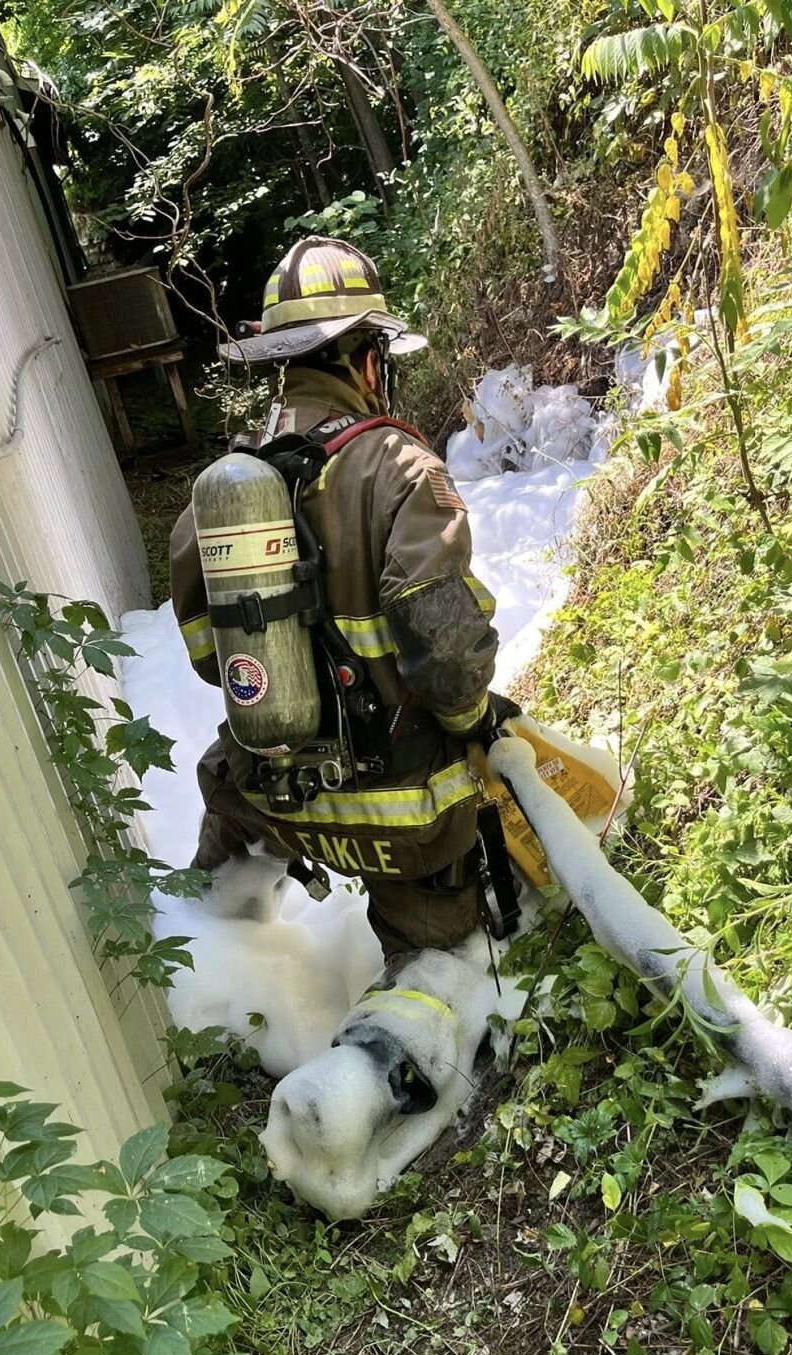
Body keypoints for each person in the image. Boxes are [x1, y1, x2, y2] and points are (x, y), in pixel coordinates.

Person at [170, 235, 515, 961]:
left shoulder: (224, 493)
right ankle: (388, 1048)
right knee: (436, 975)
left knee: (213, 929)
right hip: (403, 817)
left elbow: (211, 659)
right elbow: (447, 654)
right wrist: (474, 720)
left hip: (264, 794)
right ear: (367, 361)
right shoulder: (399, 469)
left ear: (280, 369)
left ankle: (213, 1016)